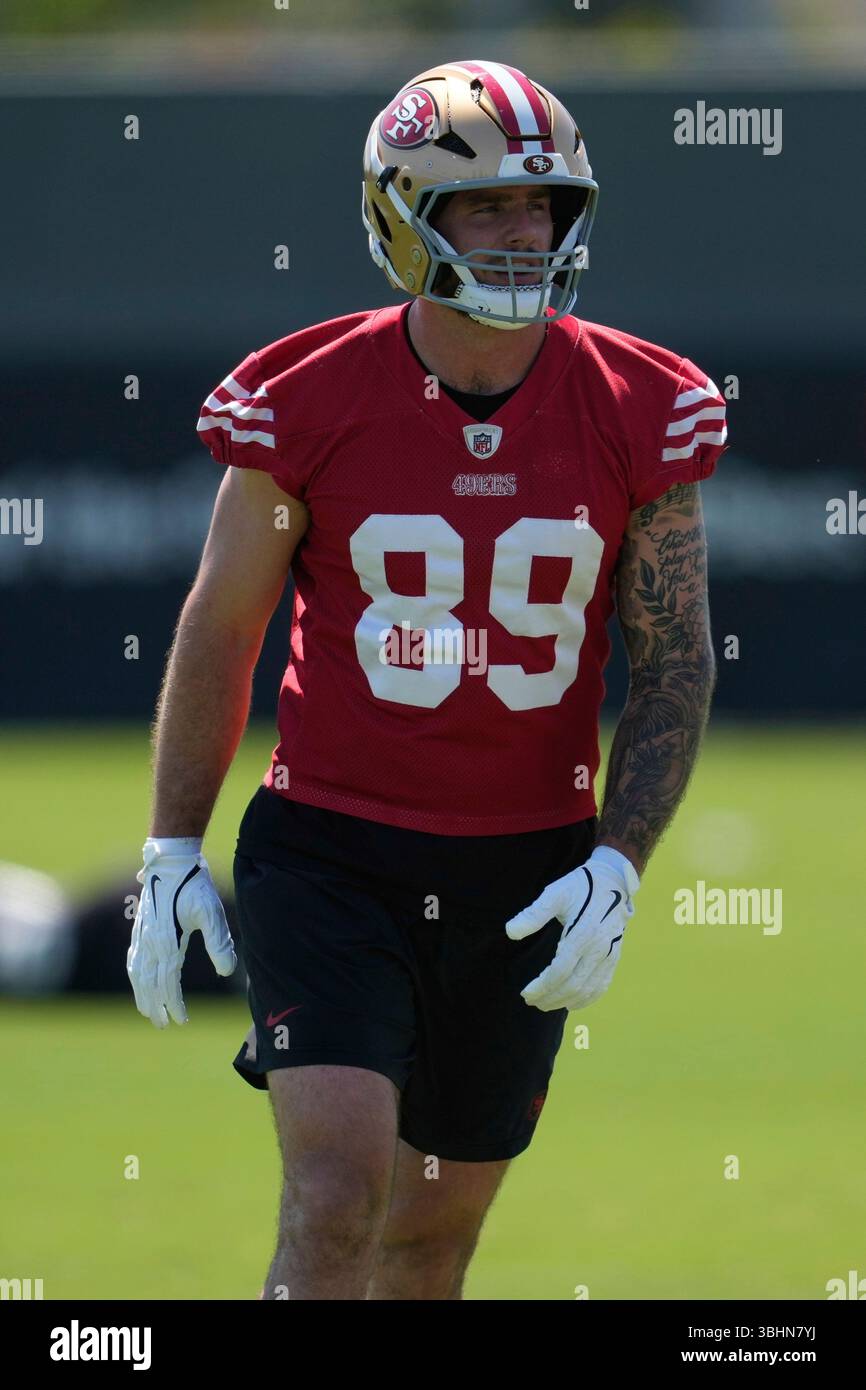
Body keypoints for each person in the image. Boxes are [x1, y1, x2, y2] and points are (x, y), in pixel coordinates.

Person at [127, 59, 728, 1300]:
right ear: (403, 216)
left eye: (542, 206)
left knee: (429, 1242)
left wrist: (618, 859)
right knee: (337, 1194)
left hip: (524, 868)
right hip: (332, 853)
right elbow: (221, 625)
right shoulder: (306, 396)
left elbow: (673, 658)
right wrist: (171, 846)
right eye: (487, 206)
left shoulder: (640, 400)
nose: (524, 232)